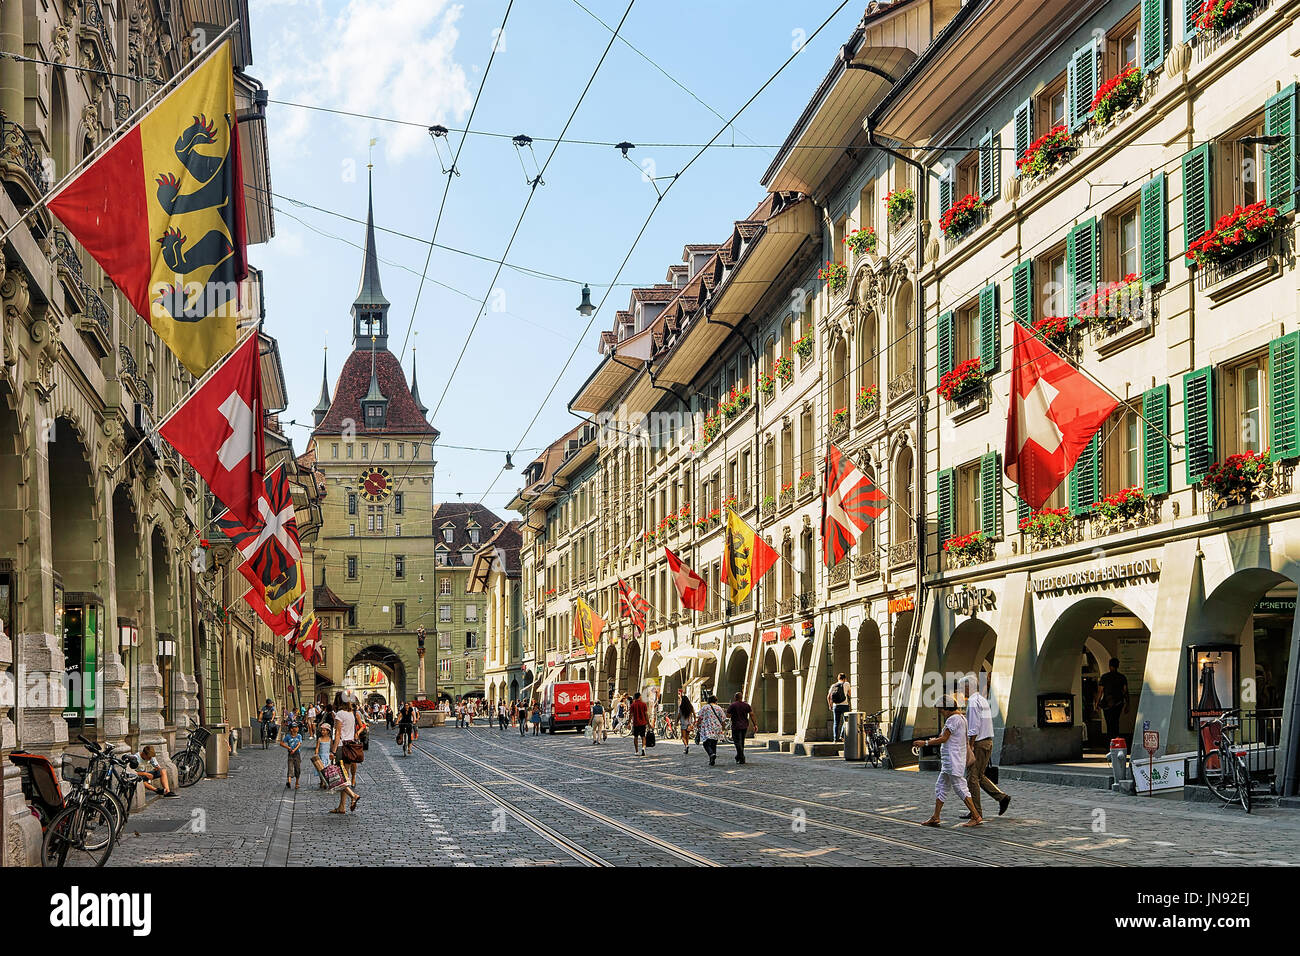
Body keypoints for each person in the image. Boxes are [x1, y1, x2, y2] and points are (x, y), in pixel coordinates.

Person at [919, 696, 982, 827]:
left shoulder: (953, 719)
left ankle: (976, 816)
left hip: (953, 760)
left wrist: (925, 743)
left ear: (947, 708)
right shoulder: (961, 718)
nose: (941, 712)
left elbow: (944, 738)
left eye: (941, 709)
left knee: (960, 788)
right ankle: (935, 817)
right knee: (941, 785)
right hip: (951, 761)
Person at [962, 676, 1010, 819]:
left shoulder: (972, 701)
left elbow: (974, 727)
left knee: (972, 778)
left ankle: (976, 812)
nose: (960, 691)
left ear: (968, 687)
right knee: (979, 776)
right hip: (987, 741)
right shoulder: (982, 699)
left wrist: (970, 746)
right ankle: (1002, 798)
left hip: (979, 743)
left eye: (961, 687)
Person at [330, 692, 361, 814]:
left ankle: (353, 795)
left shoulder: (339, 714)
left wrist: (333, 750)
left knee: (338, 778)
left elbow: (337, 734)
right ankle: (342, 806)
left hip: (342, 748)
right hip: (350, 748)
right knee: (345, 777)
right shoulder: (350, 714)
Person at [1096, 657, 1130, 741]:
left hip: (1107, 704)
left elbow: (1100, 691)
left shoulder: (1105, 677)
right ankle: (1116, 739)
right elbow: (1125, 691)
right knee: (1115, 721)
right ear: (1118, 666)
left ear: (1109, 666)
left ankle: (1110, 740)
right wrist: (1127, 704)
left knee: (1109, 722)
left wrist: (1096, 703)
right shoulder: (1122, 677)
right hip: (1118, 703)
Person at [697, 694, 728, 766]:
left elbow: (700, 717)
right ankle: (712, 758)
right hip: (717, 727)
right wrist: (723, 728)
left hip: (708, 727)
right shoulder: (719, 708)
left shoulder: (705, 707)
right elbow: (723, 719)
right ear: (716, 701)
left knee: (706, 743)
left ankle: (711, 754)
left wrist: (698, 725)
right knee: (714, 743)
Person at [726, 692, 753, 764]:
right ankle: (739, 756)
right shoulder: (746, 705)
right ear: (741, 697)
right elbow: (751, 714)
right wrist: (755, 724)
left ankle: (741, 756)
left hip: (736, 726)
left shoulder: (733, 705)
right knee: (742, 741)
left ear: (735, 697)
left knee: (736, 741)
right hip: (744, 726)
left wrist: (733, 714)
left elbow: (728, 715)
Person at [828, 672, 852, 742]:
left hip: (836, 706)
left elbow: (828, 697)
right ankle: (842, 735)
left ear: (838, 678)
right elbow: (850, 694)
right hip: (844, 705)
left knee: (836, 723)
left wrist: (830, 705)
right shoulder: (846, 684)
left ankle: (835, 739)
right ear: (844, 678)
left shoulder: (833, 685)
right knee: (846, 721)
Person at [281, 724, 303, 789]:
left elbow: (299, 744)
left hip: (297, 754)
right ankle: (289, 782)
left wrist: (294, 750)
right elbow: (281, 743)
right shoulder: (288, 736)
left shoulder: (299, 736)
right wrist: (288, 747)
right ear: (291, 729)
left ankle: (297, 783)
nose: (297, 728)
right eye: (295, 727)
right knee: (290, 767)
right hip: (290, 754)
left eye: (297, 727)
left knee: (297, 768)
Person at [677, 687, 695, 755]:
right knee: (687, 736)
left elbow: (679, 715)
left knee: (683, 737)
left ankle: (686, 746)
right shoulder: (690, 707)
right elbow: (694, 714)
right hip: (689, 723)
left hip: (683, 723)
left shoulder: (681, 707)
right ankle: (686, 746)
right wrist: (694, 721)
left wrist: (676, 721)